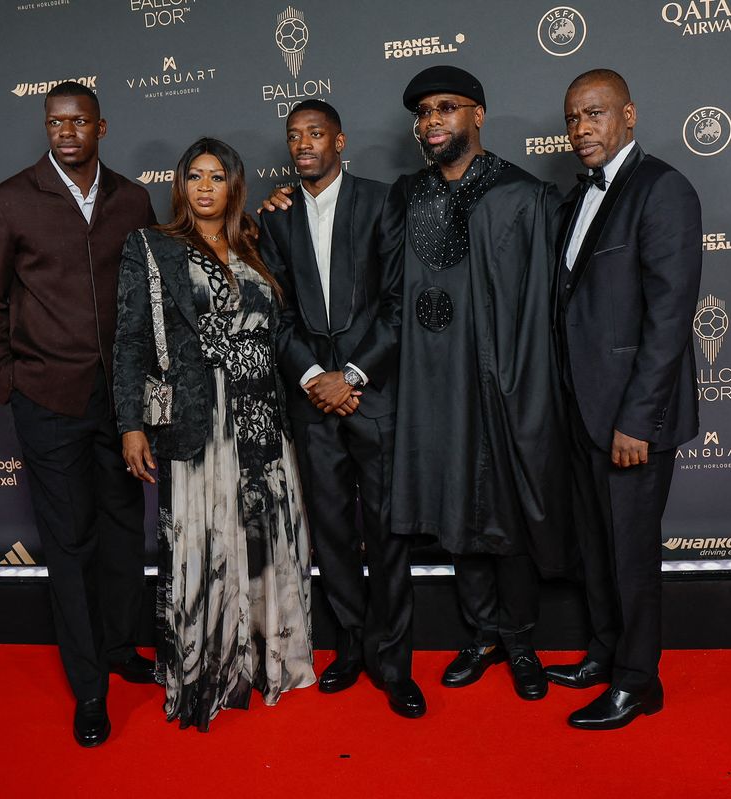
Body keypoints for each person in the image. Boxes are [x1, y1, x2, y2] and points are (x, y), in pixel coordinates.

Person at [0, 81, 156, 748]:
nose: (66, 131)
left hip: (121, 403)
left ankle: (120, 648)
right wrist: (7, 379)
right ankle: (90, 689)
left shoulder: (132, 199)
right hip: (46, 402)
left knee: (124, 531)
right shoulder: (10, 199)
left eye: (78, 121)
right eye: (55, 121)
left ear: (101, 127)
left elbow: (146, 293)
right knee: (70, 545)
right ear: (45, 127)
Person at [113, 137, 315, 733]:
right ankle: (210, 665)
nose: (204, 187)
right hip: (201, 417)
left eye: (217, 176)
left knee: (264, 535)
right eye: (194, 176)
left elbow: (281, 327)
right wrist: (130, 425)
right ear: (181, 186)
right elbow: (128, 341)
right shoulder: (153, 248)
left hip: (264, 414)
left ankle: (266, 657)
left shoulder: (256, 242)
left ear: (234, 185)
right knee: (205, 537)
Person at [391, 65, 568, 701]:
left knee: (504, 509)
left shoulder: (523, 195)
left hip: (500, 382)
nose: (431, 121)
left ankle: (520, 638)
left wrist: (517, 382)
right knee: (450, 504)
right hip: (432, 384)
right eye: (423, 113)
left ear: (478, 115)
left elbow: (544, 305)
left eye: (446, 108)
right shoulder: (407, 195)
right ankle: (482, 633)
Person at [257, 100, 423, 719]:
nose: (303, 144)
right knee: (331, 534)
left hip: (372, 392)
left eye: (315, 134)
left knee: (388, 534)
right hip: (310, 400)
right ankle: (350, 646)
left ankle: (394, 662)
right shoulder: (273, 218)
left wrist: (350, 375)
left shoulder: (383, 201)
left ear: (340, 140)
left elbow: (398, 301)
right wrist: (311, 377)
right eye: (294, 136)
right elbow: (272, 312)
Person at [547, 69, 702, 730]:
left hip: (632, 418)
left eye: (596, 114)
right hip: (583, 411)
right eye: (573, 117)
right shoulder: (575, 195)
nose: (581, 128)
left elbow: (669, 318)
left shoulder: (663, 189)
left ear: (629, 116)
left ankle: (638, 681)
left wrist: (639, 418)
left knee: (632, 552)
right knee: (597, 545)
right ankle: (608, 655)